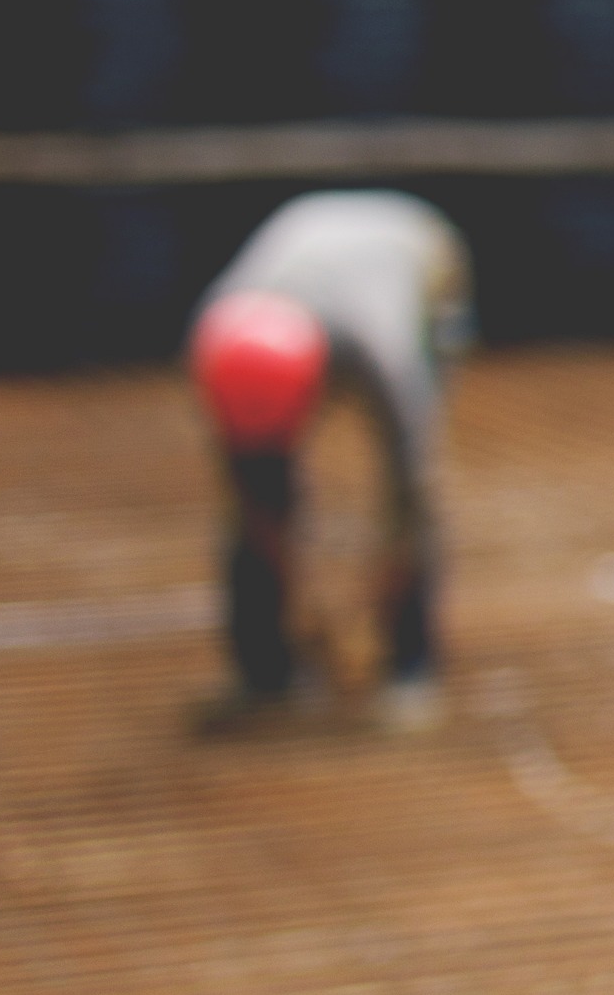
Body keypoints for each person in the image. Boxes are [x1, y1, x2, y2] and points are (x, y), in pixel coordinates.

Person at [186, 189, 473, 734]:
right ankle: (265, 669)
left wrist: (386, 574)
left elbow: (412, 483)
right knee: (256, 502)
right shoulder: (215, 340)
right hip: (310, 236)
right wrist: (283, 562)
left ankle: (411, 663)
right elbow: (249, 493)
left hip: (417, 247)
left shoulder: (382, 354)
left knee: (410, 496)